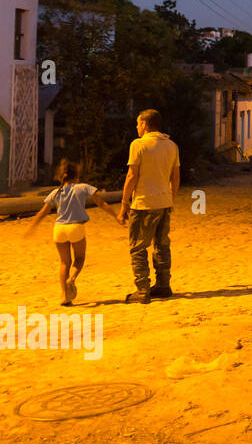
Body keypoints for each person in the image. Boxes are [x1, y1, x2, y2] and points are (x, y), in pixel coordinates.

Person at [26, 159, 119, 306]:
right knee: (80, 258)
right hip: (76, 227)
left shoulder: (55, 192)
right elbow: (102, 203)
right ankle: (72, 278)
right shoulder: (83, 187)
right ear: (76, 176)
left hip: (59, 230)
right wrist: (116, 216)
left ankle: (64, 296)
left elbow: (42, 213)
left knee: (64, 263)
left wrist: (31, 227)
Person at [118, 109, 180, 303]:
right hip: (164, 203)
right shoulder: (171, 146)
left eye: (138, 123)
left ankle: (143, 289)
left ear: (145, 124)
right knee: (162, 245)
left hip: (144, 203)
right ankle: (163, 285)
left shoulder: (138, 145)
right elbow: (175, 177)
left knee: (138, 247)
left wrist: (124, 203)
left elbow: (132, 176)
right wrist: (170, 198)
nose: (137, 127)